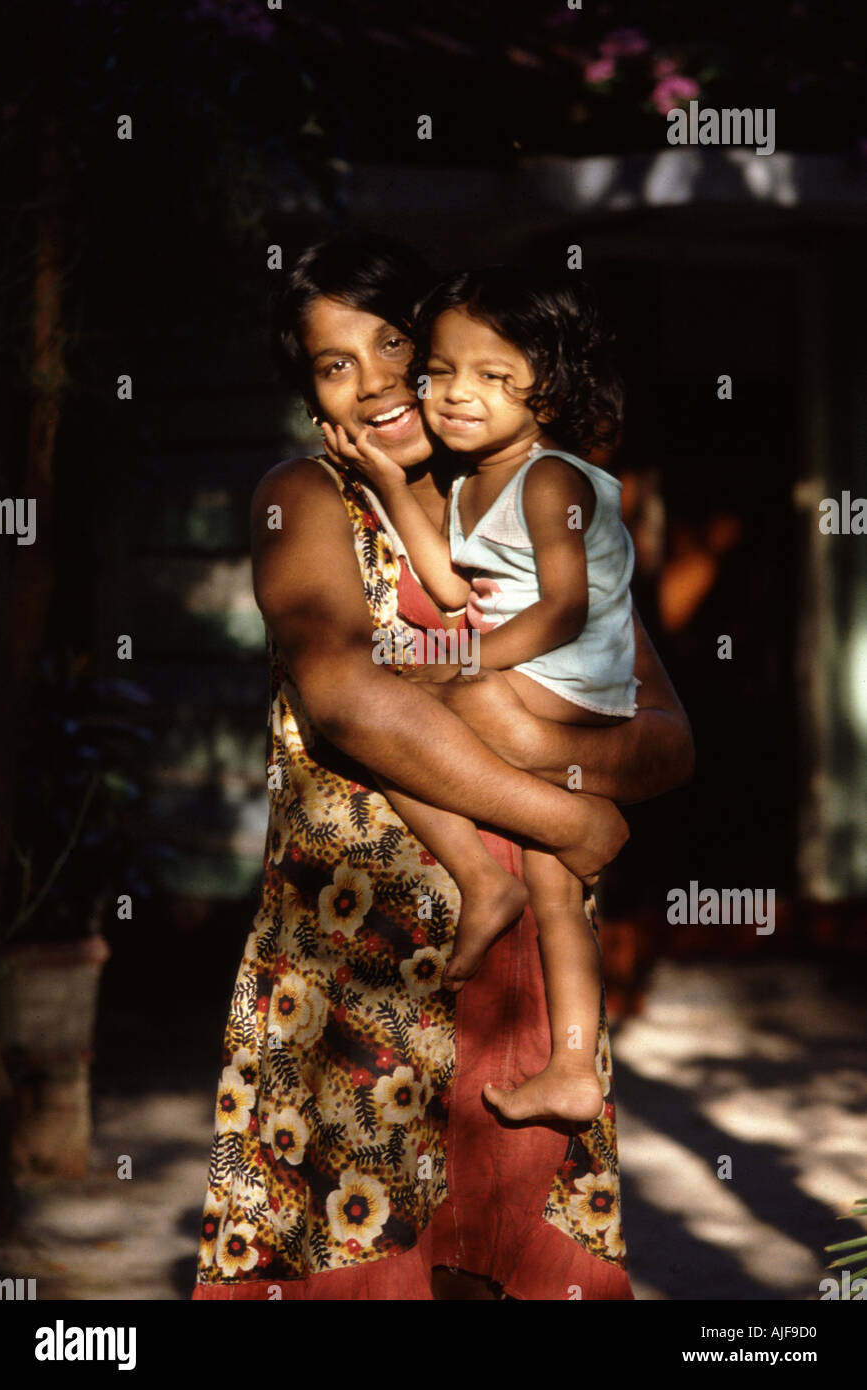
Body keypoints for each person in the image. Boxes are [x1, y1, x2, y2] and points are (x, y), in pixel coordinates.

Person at [191, 233, 694, 1301]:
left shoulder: (526, 510)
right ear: (313, 395)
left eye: (392, 344)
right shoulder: (306, 496)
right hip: (358, 974)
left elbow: (662, 737)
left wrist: (541, 753)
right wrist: (561, 815)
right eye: (335, 365)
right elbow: (343, 690)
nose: (374, 383)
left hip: (523, 995)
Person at [324, 265, 636, 1128]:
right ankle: (573, 1065)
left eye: (495, 378)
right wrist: (391, 485)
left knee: (380, 716)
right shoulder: (469, 487)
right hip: (535, 675)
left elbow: (566, 606)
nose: (460, 395)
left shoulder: (549, 480)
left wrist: (467, 668)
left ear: (550, 393)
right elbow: (454, 590)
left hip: (573, 679)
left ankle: (477, 871)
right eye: (444, 372)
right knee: (555, 890)